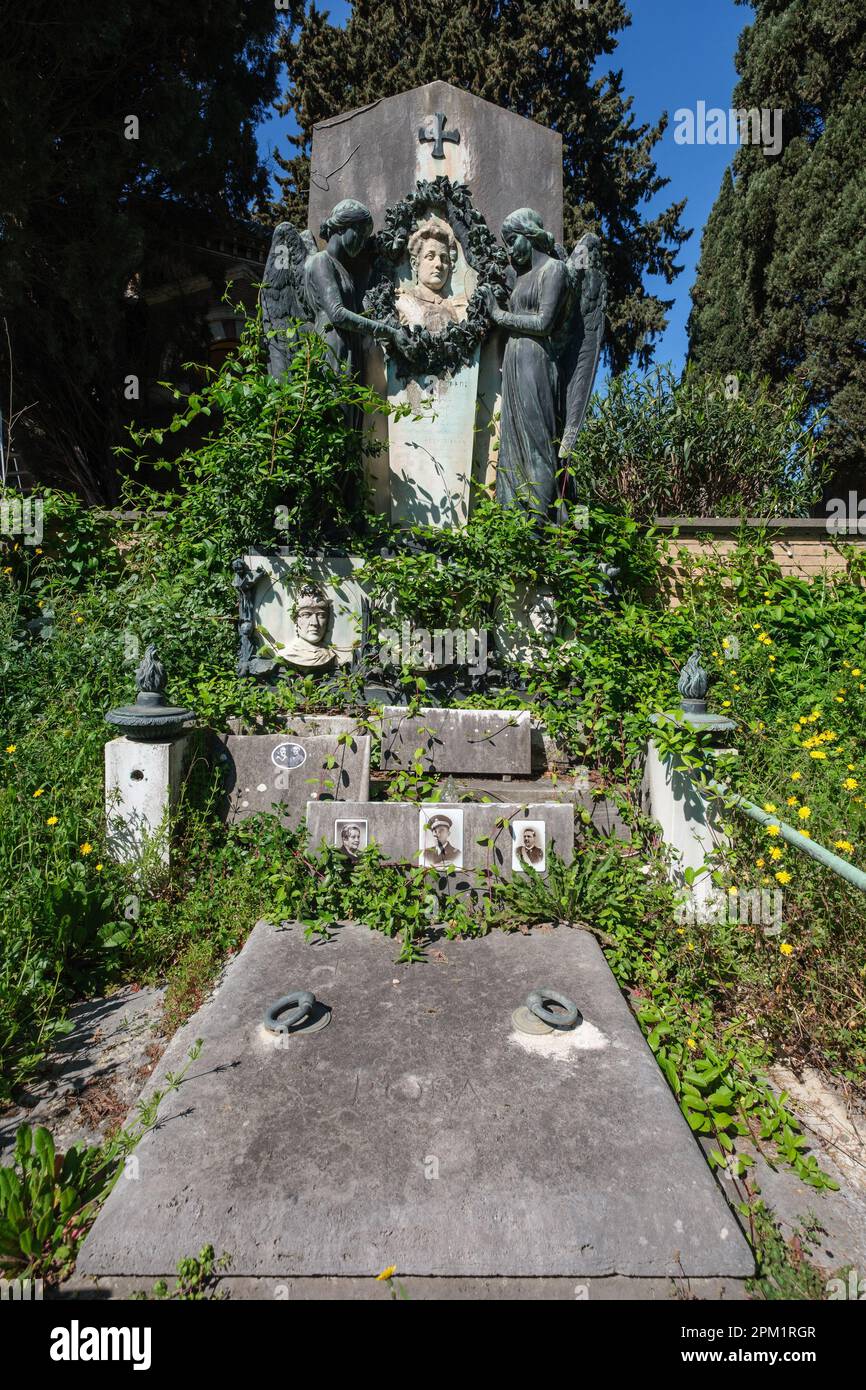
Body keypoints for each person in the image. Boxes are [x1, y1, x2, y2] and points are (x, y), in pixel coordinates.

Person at [483, 208, 575, 518]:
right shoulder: (521, 278)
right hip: (515, 360)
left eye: (511, 241)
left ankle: (539, 521)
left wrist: (499, 315)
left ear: (528, 236)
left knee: (537, 441)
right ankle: (515, 519)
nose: (509, 251)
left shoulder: (555, 270)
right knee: (513, 442)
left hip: (536, 361)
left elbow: (545, 323)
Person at [396, 221, 465, 334]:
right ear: (414, 264)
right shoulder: (403, 302)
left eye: (444, 259)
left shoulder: (458, 308)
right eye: (430, 256)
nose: (438, 264)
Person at [277, 585, 337, 670]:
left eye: (321, 615)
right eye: (306, 615)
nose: (314, 623)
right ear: (296, 620)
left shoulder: (328, 655)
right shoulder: (288, 653)